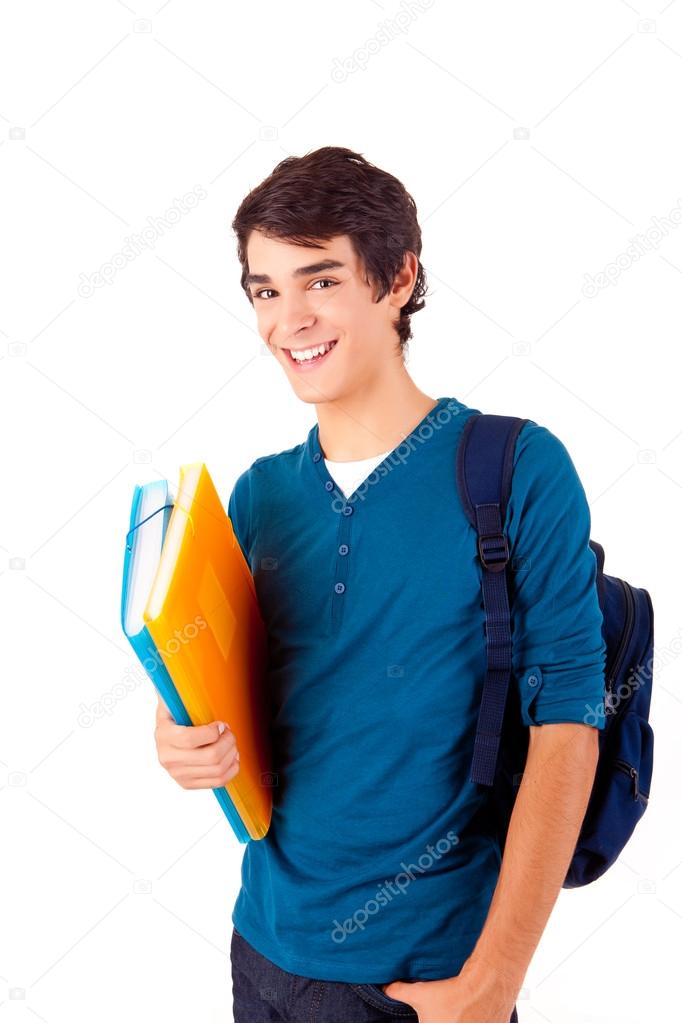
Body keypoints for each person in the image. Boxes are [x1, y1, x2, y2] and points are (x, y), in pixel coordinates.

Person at [154, 146, 606, 1022]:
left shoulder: (514, 468)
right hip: (264, 952)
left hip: (425, 981)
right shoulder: (258, 495)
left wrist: (493, 984)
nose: (289, 318)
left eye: (319, 281)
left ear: (397, 279)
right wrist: (181, 736)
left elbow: (569, 733)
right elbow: (224, 695)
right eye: (265, 289)